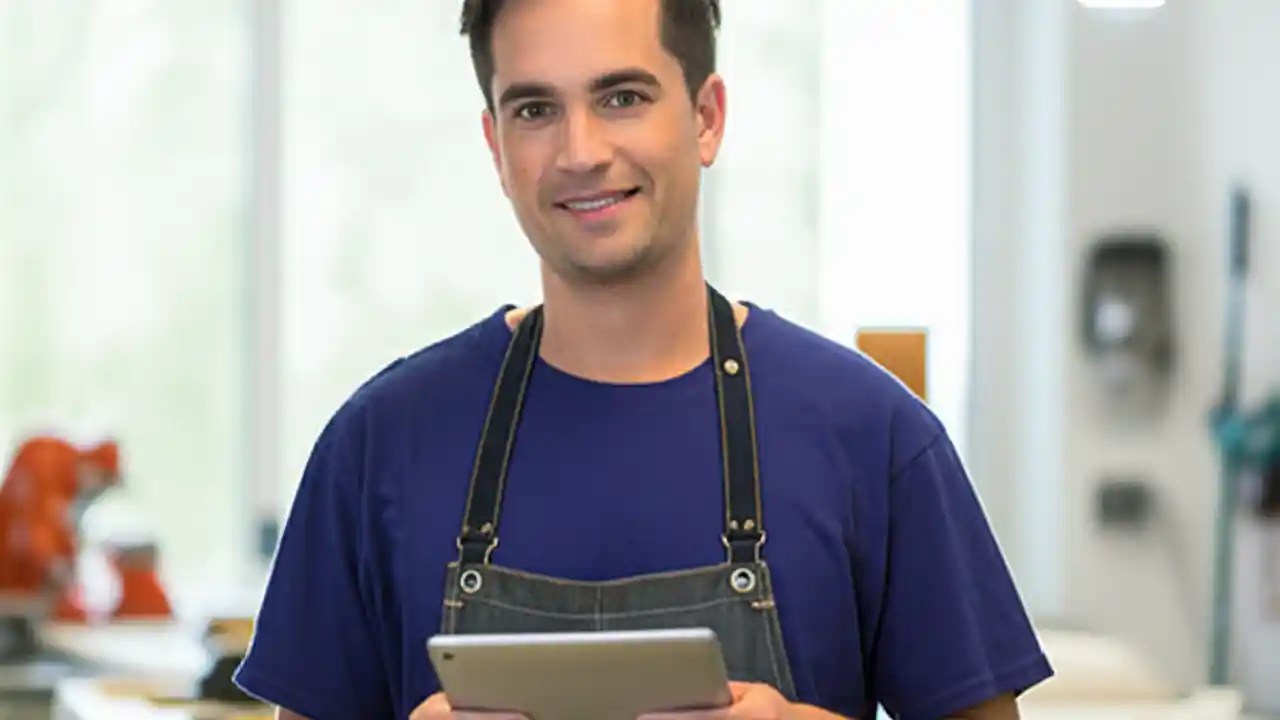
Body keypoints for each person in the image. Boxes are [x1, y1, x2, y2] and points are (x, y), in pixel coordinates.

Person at [234, 1, 1054, 718]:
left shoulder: (873, 438)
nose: (581, 151)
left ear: (706, 117)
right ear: (493, 143)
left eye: (621, 97)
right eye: (533, 110)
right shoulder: (379, 446)